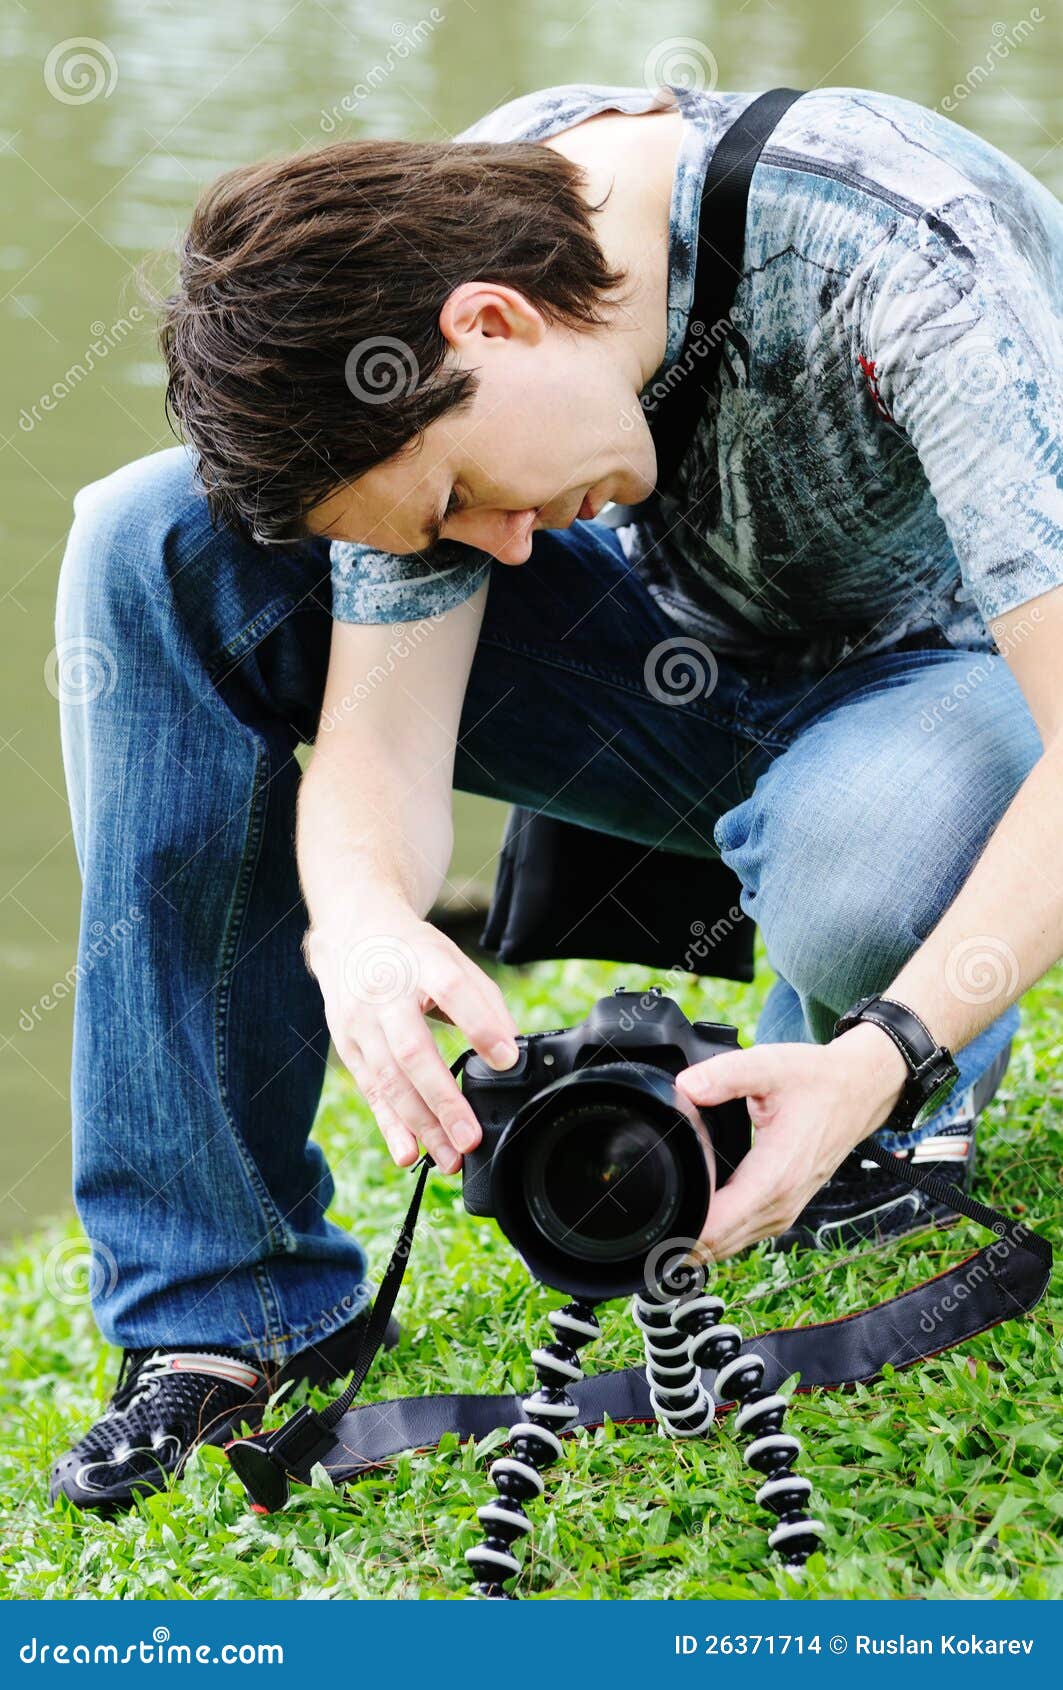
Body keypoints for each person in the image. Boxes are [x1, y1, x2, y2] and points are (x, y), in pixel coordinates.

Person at [51, 80, 1063, 1511]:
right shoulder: (419, 290)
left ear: (493, 323)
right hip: (677, 669)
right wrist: (358, 925)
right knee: (146, 538)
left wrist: (882, 1051)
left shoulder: (904, 252)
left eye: (465, 488)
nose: (496, 551)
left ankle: (872, 1084)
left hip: (955, 685)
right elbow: (383, 749)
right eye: (449, 524)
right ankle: (228, 1312)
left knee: (865, 866)